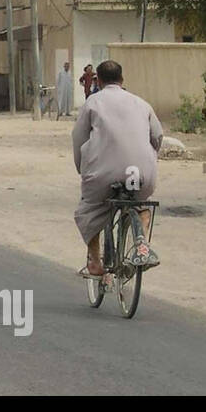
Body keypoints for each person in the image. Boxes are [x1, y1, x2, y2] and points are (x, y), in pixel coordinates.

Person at [72, 60, 162, 279]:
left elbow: (78, 138)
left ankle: (94, 262)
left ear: (98, 80)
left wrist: (81, 168)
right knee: (141, 204)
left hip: (103, 174)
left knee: (89, 210)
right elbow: (157, 136)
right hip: (141, 173)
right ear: (122, 80)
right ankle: (141, 243)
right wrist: (148, 157)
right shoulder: (142, 103)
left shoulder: (93, 102)